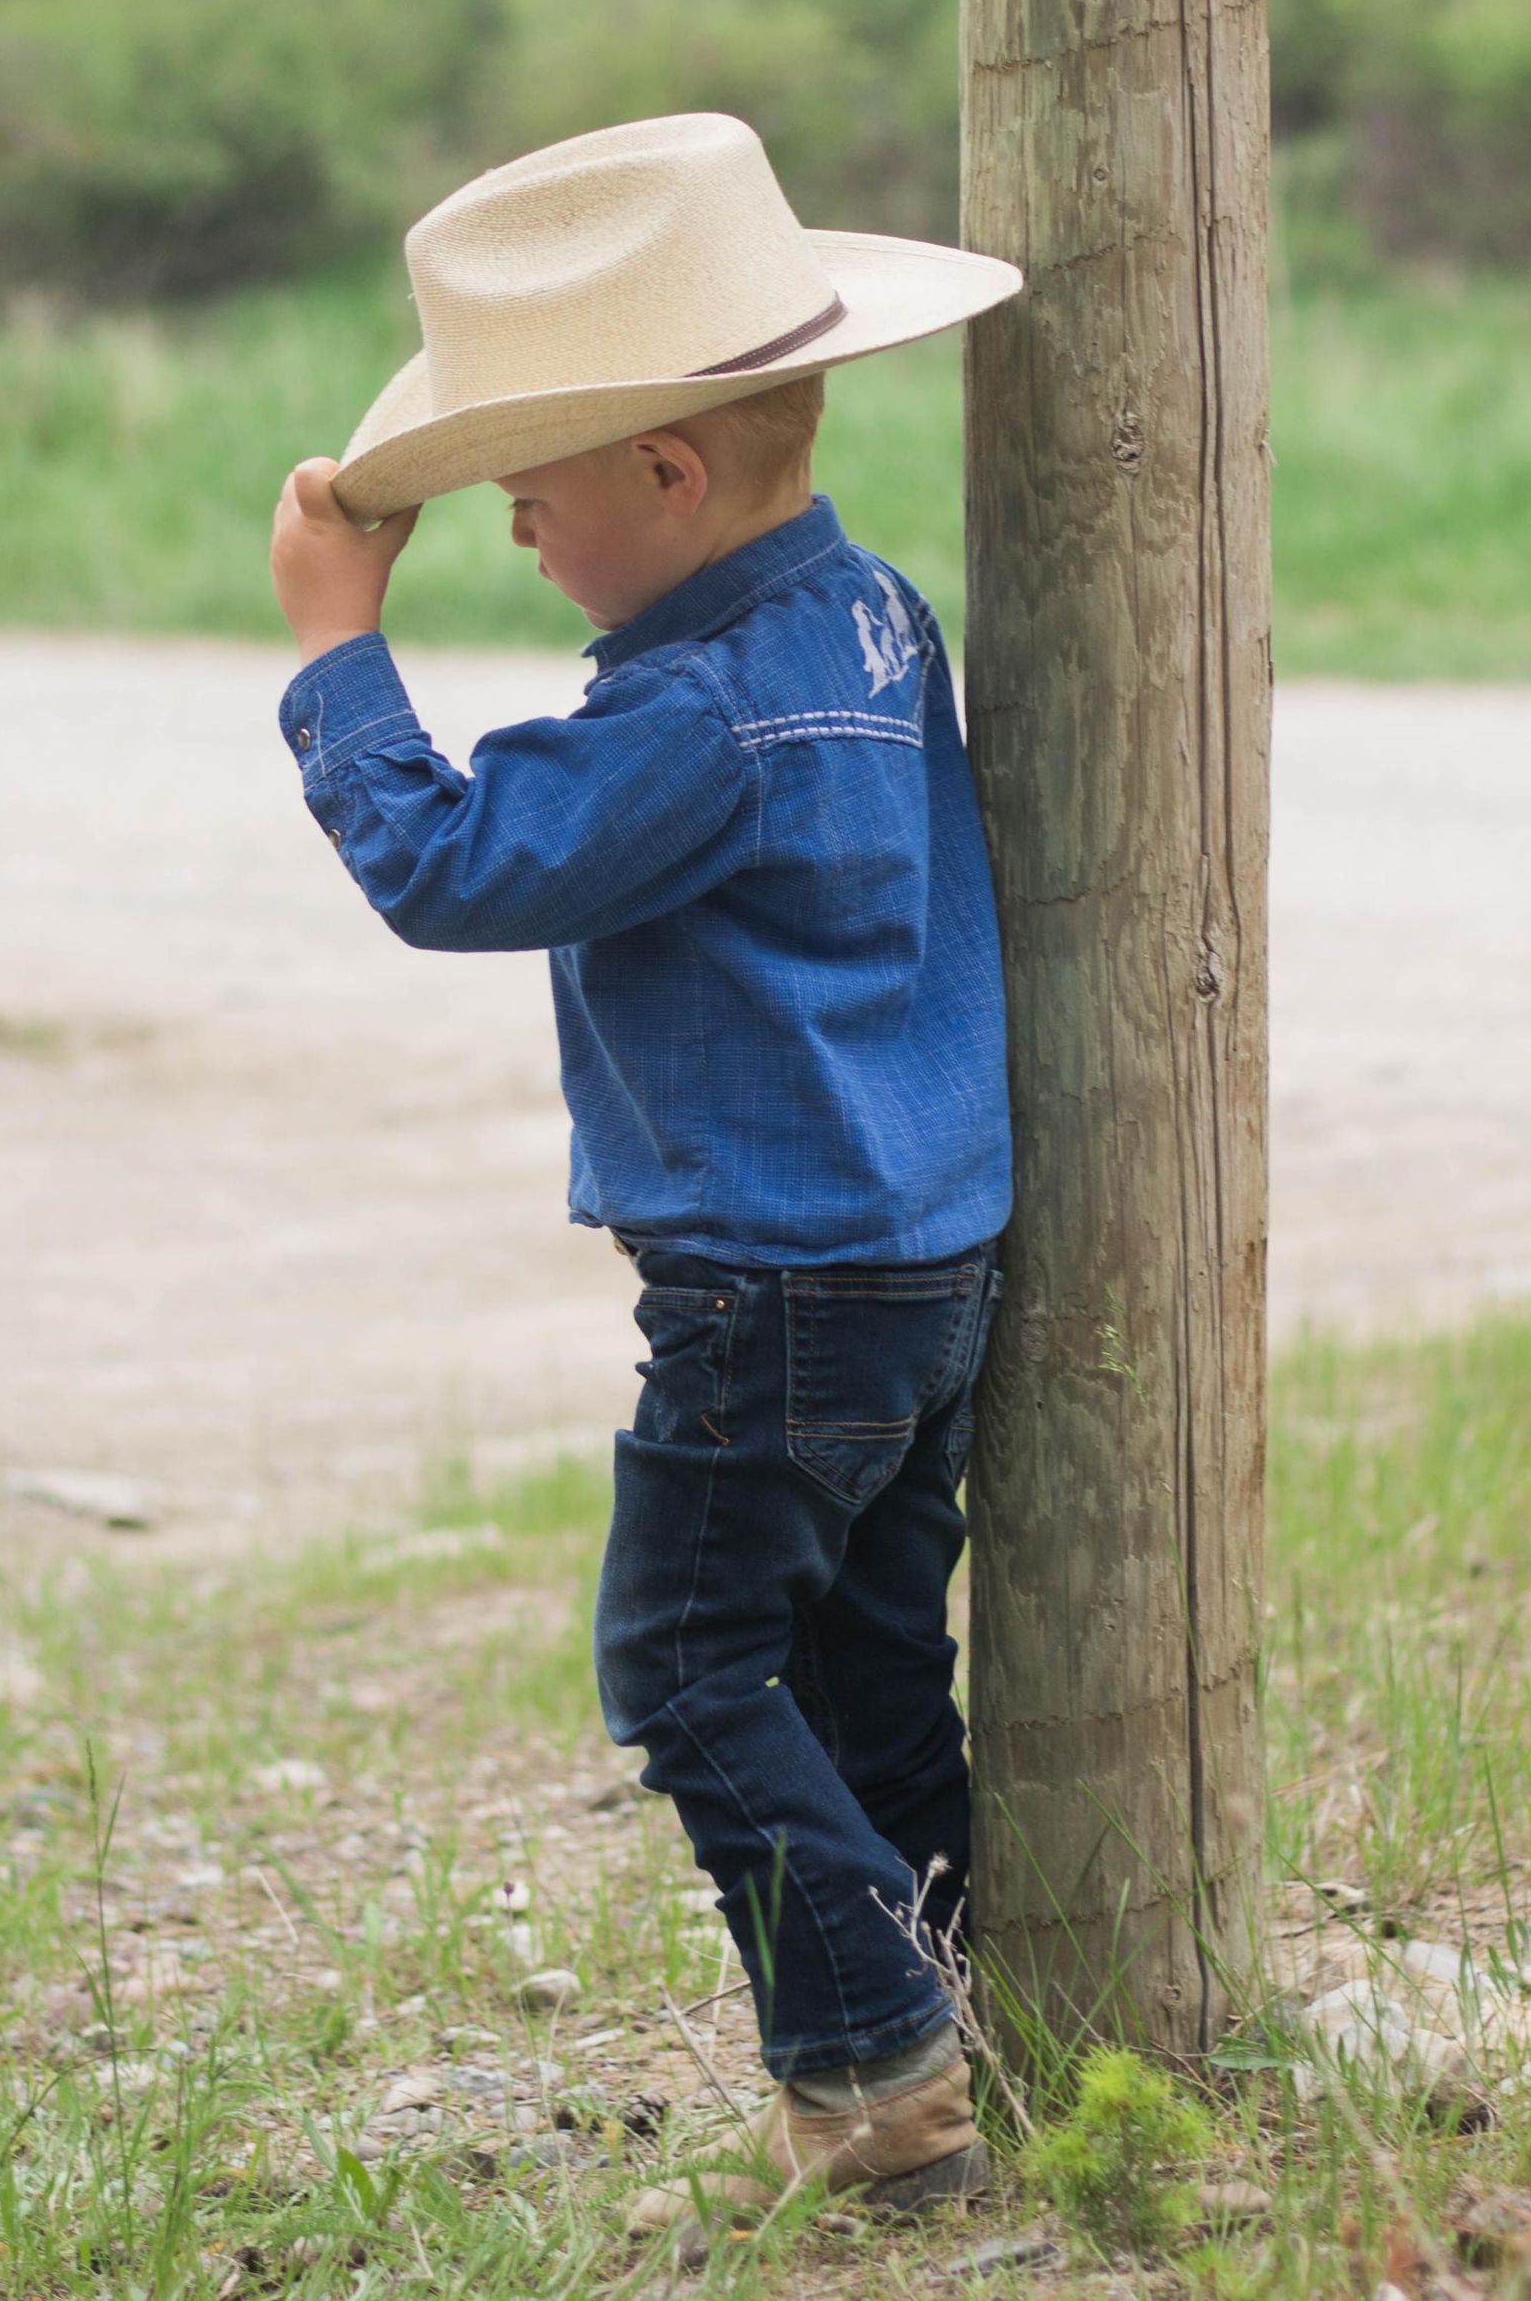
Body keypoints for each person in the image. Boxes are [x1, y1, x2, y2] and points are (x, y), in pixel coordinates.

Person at [268, 112, 1021, 2249]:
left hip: (771, 1288)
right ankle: (968, 2011)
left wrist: (334, 647)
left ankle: (873, 2077)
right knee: (869, 1668)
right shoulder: (870, 619)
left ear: (669, 474)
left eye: (531, 490)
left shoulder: (697, 715)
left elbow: (450, 866)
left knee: (687, 1667)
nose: (512, 532)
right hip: (925, 1261)